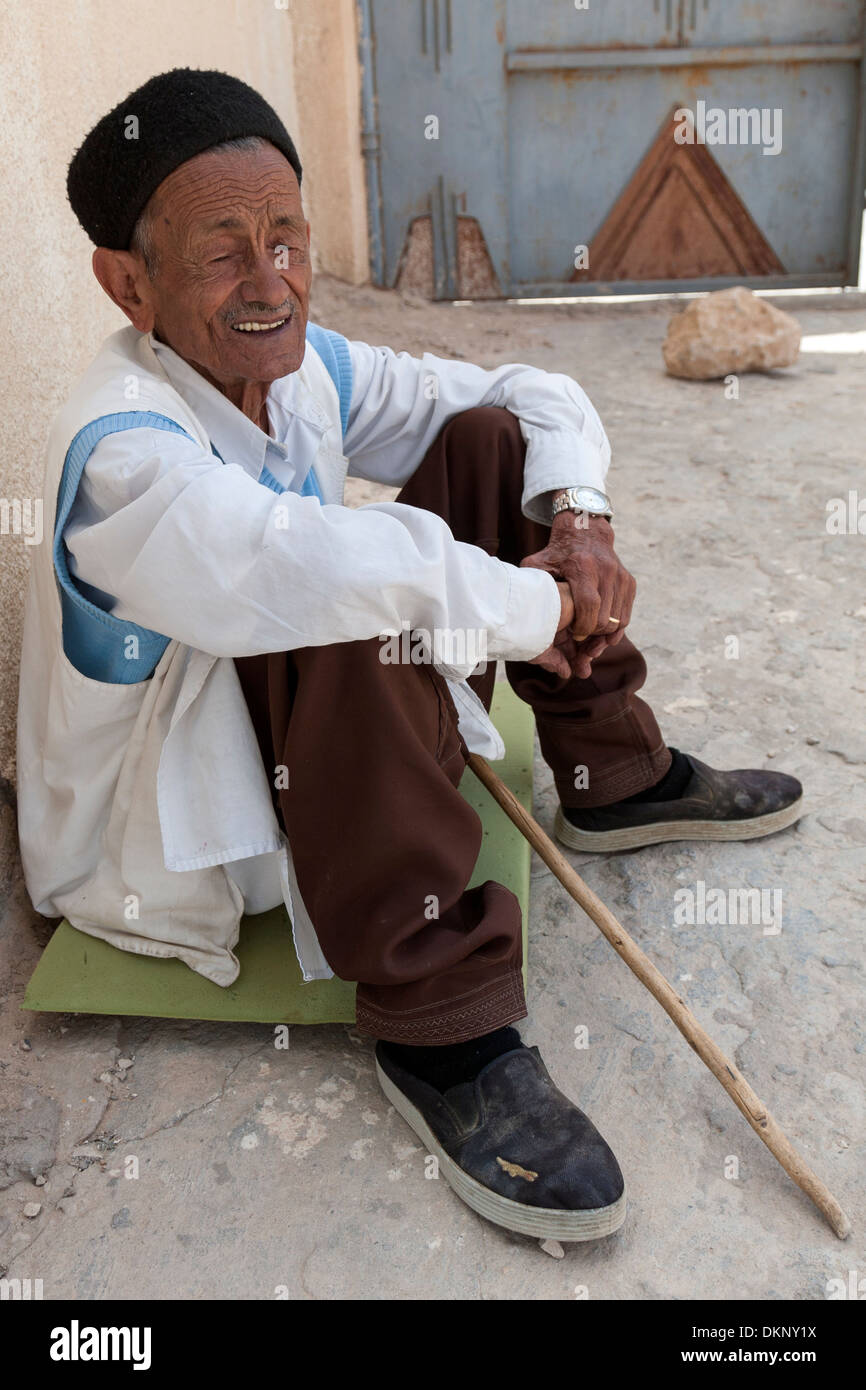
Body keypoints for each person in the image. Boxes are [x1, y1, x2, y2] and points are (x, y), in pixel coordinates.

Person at [17, 68, 802, 1242]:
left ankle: (609, 776)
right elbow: (297, 569)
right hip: (176, 817)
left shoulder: (303, 364)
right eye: (222, 252)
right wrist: (533, 609)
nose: (270, 280)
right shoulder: (124, 448)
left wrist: (577, 518)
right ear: (128, 282)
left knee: (491, 444)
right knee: (352, 580)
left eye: (286, 236)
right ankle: (445, 1029)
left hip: (319, 726)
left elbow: (524, 391)